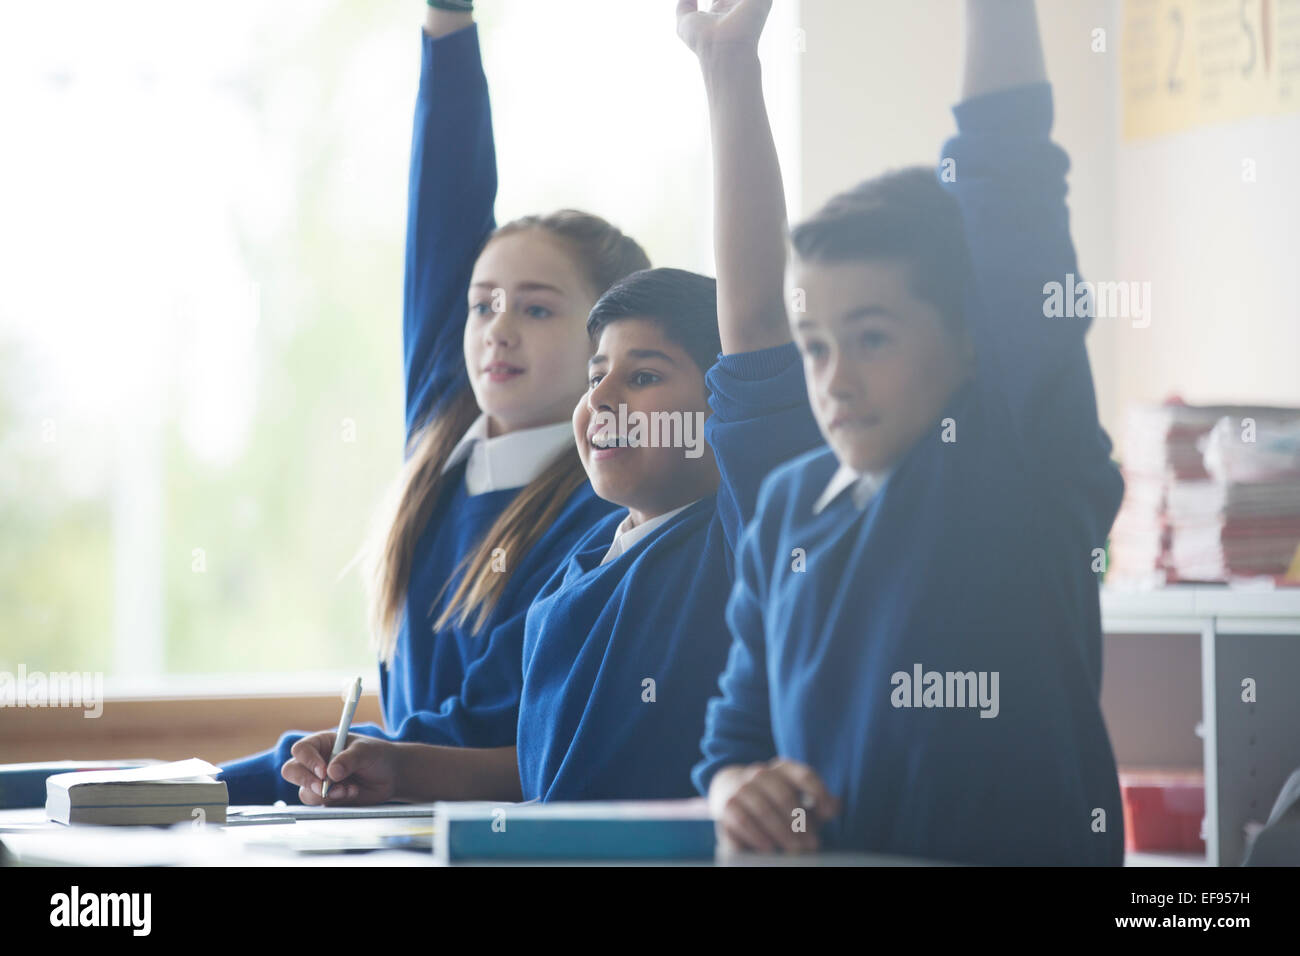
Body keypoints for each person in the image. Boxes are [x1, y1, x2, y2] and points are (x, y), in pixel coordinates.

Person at [277, 0, 824, 806]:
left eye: (644, 376)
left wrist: (729, 68)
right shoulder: (578, 570)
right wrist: (402, 768)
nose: (600, 394)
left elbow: (757, 324)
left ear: (719, 410)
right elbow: (539, 771)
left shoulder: (736, 536)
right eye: (599, 371)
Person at [694, 0, 1126, 865]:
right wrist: (738, 790)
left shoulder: (1018, 448)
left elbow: (1010, 177)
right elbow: (735, 740)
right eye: (816, 346)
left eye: (875, 338)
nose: (834, 378)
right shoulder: (789, 505)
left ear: (970, 341)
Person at [218, 3, 646, 804]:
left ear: (603, 344)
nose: (498, 331)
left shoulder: (602, 512)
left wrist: (225, 783)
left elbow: (474, 728)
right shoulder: (444, 430)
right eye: (483, 305)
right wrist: (447, 20)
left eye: (538, 308)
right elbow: (444, 206)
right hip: (387, 819)